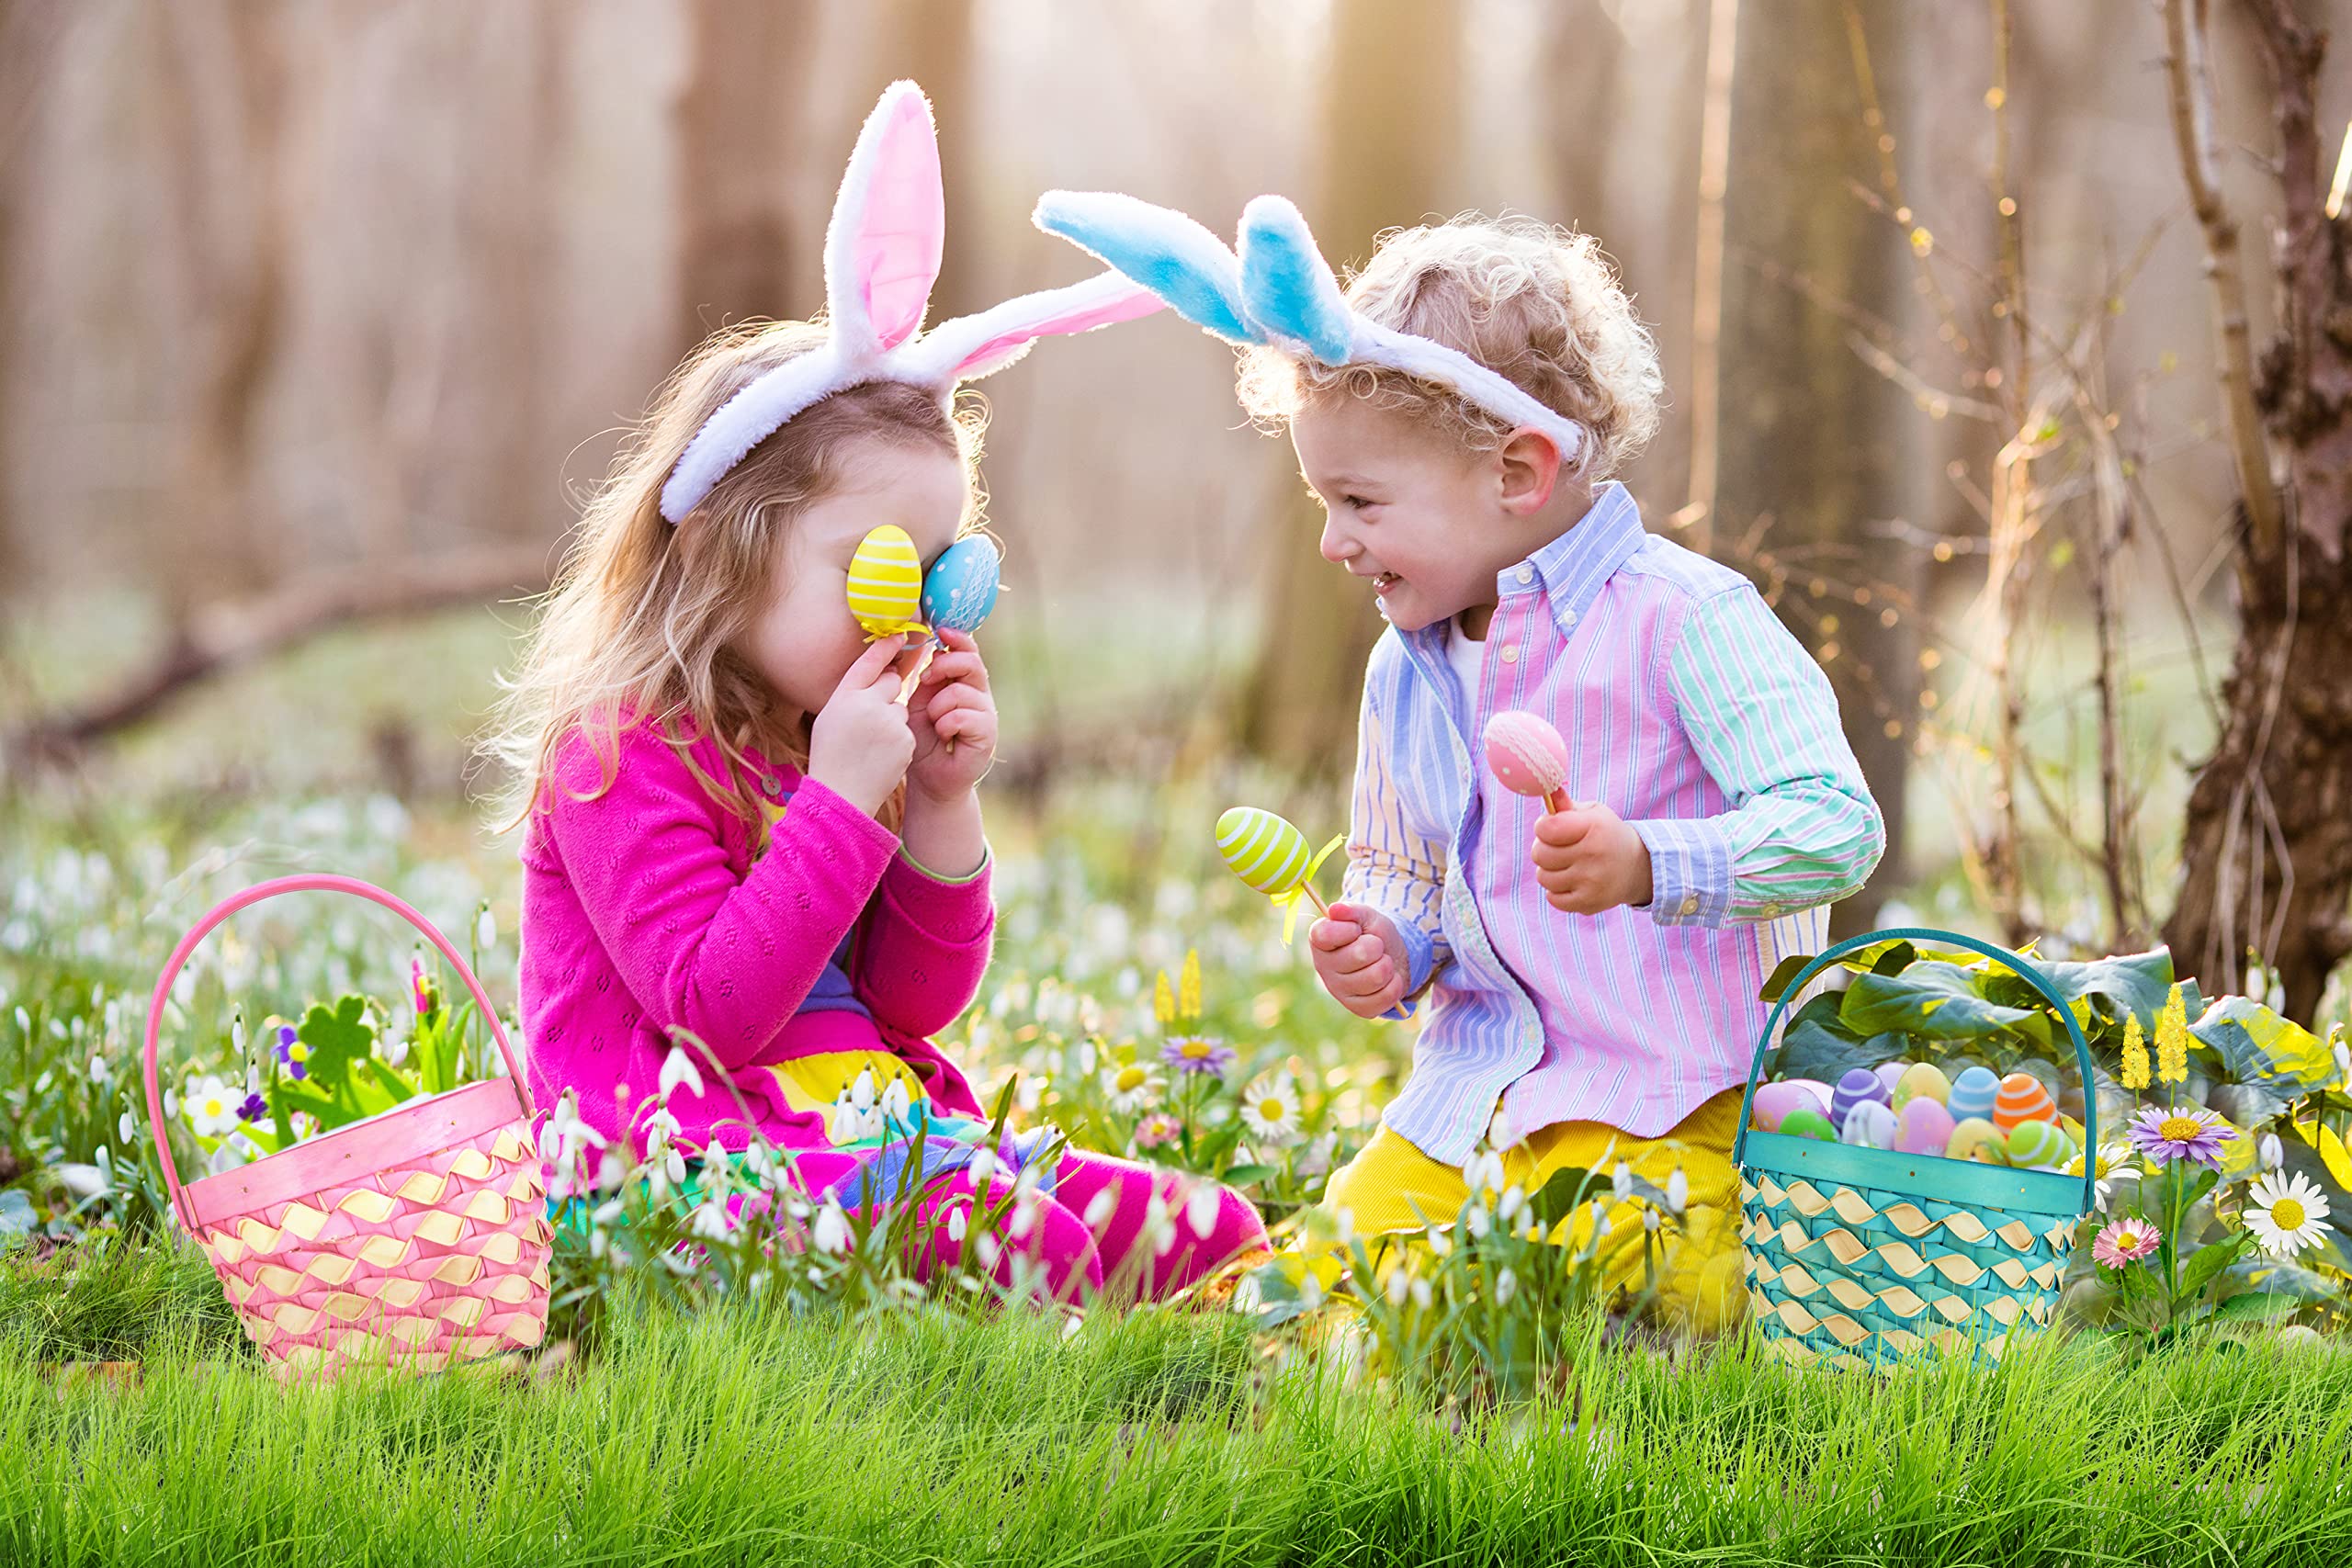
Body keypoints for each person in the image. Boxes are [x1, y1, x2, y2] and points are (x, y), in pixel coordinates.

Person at [1037, 192, 1884, 1329]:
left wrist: (1651, 862)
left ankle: (1513, 1312)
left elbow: (1836, 824)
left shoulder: (1687, 620)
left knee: (1628, 1273)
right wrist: (1389, 940)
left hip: (1678, 1099)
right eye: (1323, 502)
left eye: (1360, 503)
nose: (1335, 541)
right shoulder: (1407, 667)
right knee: (1307, 1284)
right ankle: (1315, 1341)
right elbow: (1402, 865)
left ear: (1518, 473)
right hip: (1471, 1101)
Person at [488, 84, 1264, 1302]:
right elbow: (712, 1013)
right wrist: (844, 799)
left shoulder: (828, 725)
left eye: (946, 565)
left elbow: (913, 1001)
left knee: (1201, 1225)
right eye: (883, 567)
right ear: (717, 547)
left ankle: (1107, 1310)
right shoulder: (617, 752)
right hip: (694, 1168)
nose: (917, 611)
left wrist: (940, 805)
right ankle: (1046, 1346)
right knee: (1040, 1251)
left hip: (870, 1126)